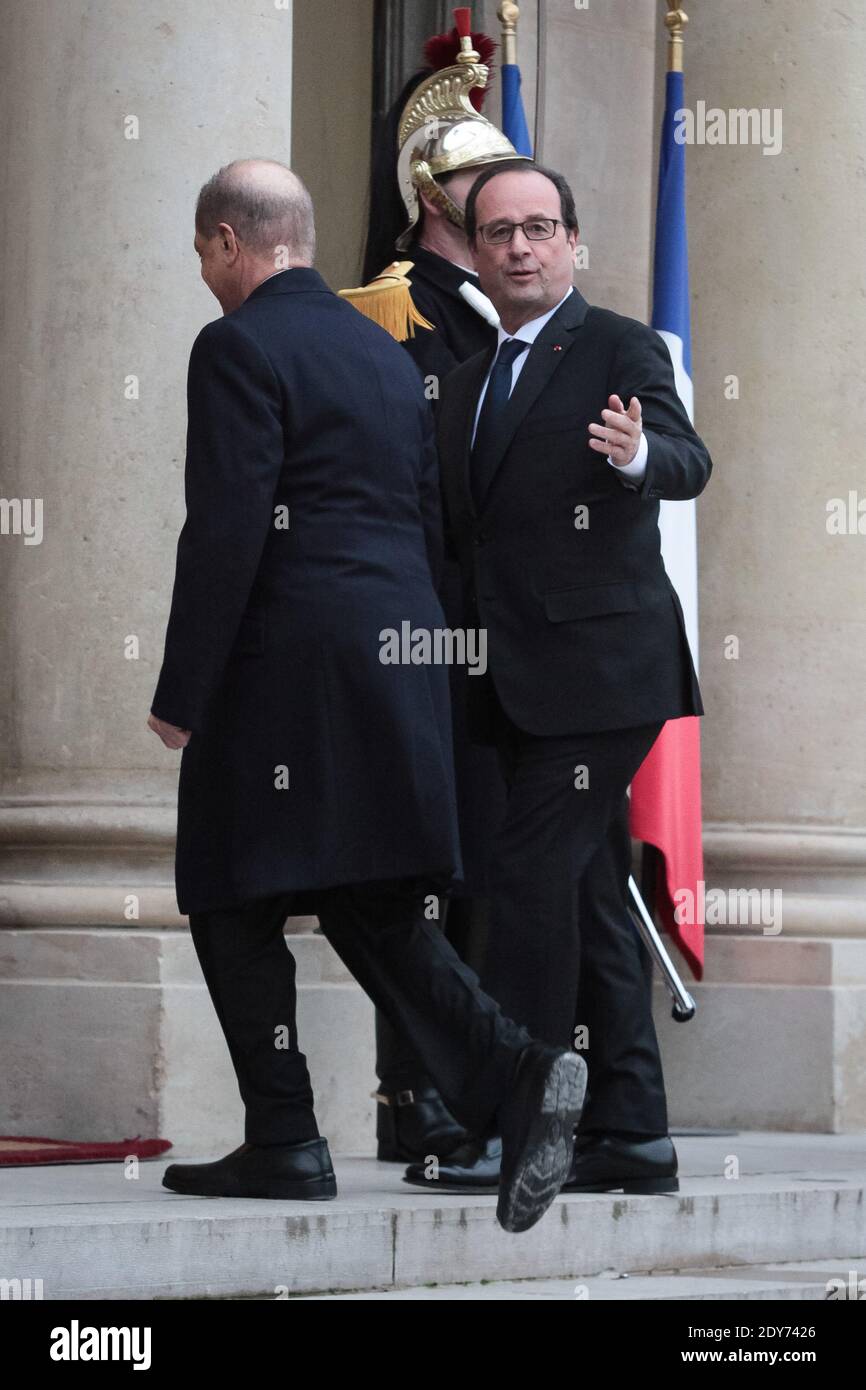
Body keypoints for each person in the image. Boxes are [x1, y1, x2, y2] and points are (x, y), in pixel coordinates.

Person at [146, 158, 585, 1234]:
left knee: (224, 881)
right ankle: (516, 1069)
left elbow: (230, 527)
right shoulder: (383, 353)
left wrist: (182, 686)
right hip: (394, 650)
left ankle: (290, 1138)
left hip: (285, 665)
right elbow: (430, 521)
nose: (204, 272)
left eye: (204, 253)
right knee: (368, 895)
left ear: (224, 243)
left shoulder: (235, 345)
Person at [404, 159, 712, 1197]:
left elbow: (685, 456)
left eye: (540, 228)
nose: (520, 248)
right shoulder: (469, 371)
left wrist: (633, 459)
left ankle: (512, 1124)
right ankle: (632, 1134)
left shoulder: (617, 345)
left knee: (527, 886)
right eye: (499, 234)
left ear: (572, 243)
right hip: (503, 683)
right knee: (582, 895)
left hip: (600, 675)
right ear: (475, 253)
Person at [340, 19, 523, 1165]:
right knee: (428, 870)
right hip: (436, 631)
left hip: (517, 639)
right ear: (427, 191)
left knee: (493, 873)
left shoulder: (524, 325)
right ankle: (419, 1098)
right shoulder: (394, 309)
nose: (504, 208)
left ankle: (481, 1089)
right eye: (480, 184)